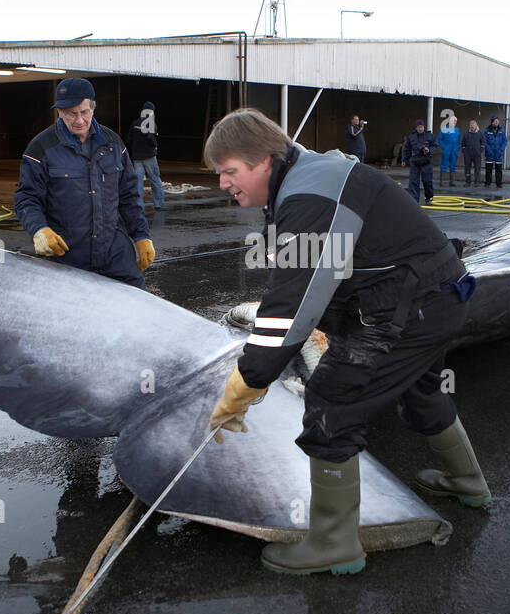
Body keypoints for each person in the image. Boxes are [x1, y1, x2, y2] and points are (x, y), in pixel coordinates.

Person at [204, 108, 488, 576]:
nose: (222, 183)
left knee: (332, 399)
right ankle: (466, 481)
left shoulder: (309, 195)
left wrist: (246, 383)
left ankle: (334, 542)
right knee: (420, 389)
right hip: (432, 296)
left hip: (412, 306)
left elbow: (291, 305)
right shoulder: (308, 177)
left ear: (264, 160)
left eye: (229, 171)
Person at [14, 78, 155, 287]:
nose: (79, 120)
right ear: (59, 112)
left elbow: (129, 196)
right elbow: (27, 198)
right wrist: (38, 229)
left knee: (137, 308)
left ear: (93, 108)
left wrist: (141, 235)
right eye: (72, 113)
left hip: (114, 253)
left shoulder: (114, 143)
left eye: (84, 112)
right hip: (68, 256)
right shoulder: (41, 148)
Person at [126, 101, 165, 210]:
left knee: (138, 181)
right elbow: (150, 138)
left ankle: (139, 205)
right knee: (155, 179)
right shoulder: (150, 123)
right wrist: (155, 146)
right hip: (149, 157)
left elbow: (129, 139)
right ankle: (158, 204)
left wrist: (135, 148)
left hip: (137, 158)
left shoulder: (135, 123)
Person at [401, 119, 435, 204]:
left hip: (426, 161)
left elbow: (435, 145)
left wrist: (429, 149)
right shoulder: (411, 137)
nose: (420, 128)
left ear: (424, 127)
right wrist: (404, 159)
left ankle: (429, 198)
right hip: (415, 161)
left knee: (427, 180)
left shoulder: (429, 136)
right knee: (413, 181)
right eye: (419, 127)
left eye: (422, 127)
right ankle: (414, 200)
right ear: (416, 128)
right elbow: (407, 149)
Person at [483, 115, 507, 188]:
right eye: (495, 121)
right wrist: (488, 149)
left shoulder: (501, 130)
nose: (496, 122)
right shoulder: (487, 130)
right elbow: (484, 141)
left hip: (498, 153)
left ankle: (499, 183)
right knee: (488, 170)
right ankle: (487, 183)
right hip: (489, 153)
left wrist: (501, 150)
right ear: (492, 122)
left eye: (497, 121)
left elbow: (504, 141)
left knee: (499, 170)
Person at [438, 114, 460, 187]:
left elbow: (458, 141)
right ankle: (441, 182)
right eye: (453, 120)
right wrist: (444, 147)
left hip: (454, 150)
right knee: (444, 165)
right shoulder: (444, 128)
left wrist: (457, 149)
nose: (454, 122)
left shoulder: (457, 130)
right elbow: (440, 139)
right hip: (447, 149)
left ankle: (451, 182)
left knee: (453, 165)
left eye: (455, 121)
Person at [461, 119, 484, 186]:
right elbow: (463, 143)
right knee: (467, 168)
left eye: (473, 124)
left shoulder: (480, 133)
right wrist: (464, 151)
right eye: (471, 125)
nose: (472, 126)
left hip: (477, 154)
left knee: (477, 168)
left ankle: (477, 182)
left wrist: (480, 151)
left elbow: (483, 143)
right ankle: (468, 182)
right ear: (469, 126)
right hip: (468, 155)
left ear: (476, 125)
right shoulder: (466, 134)